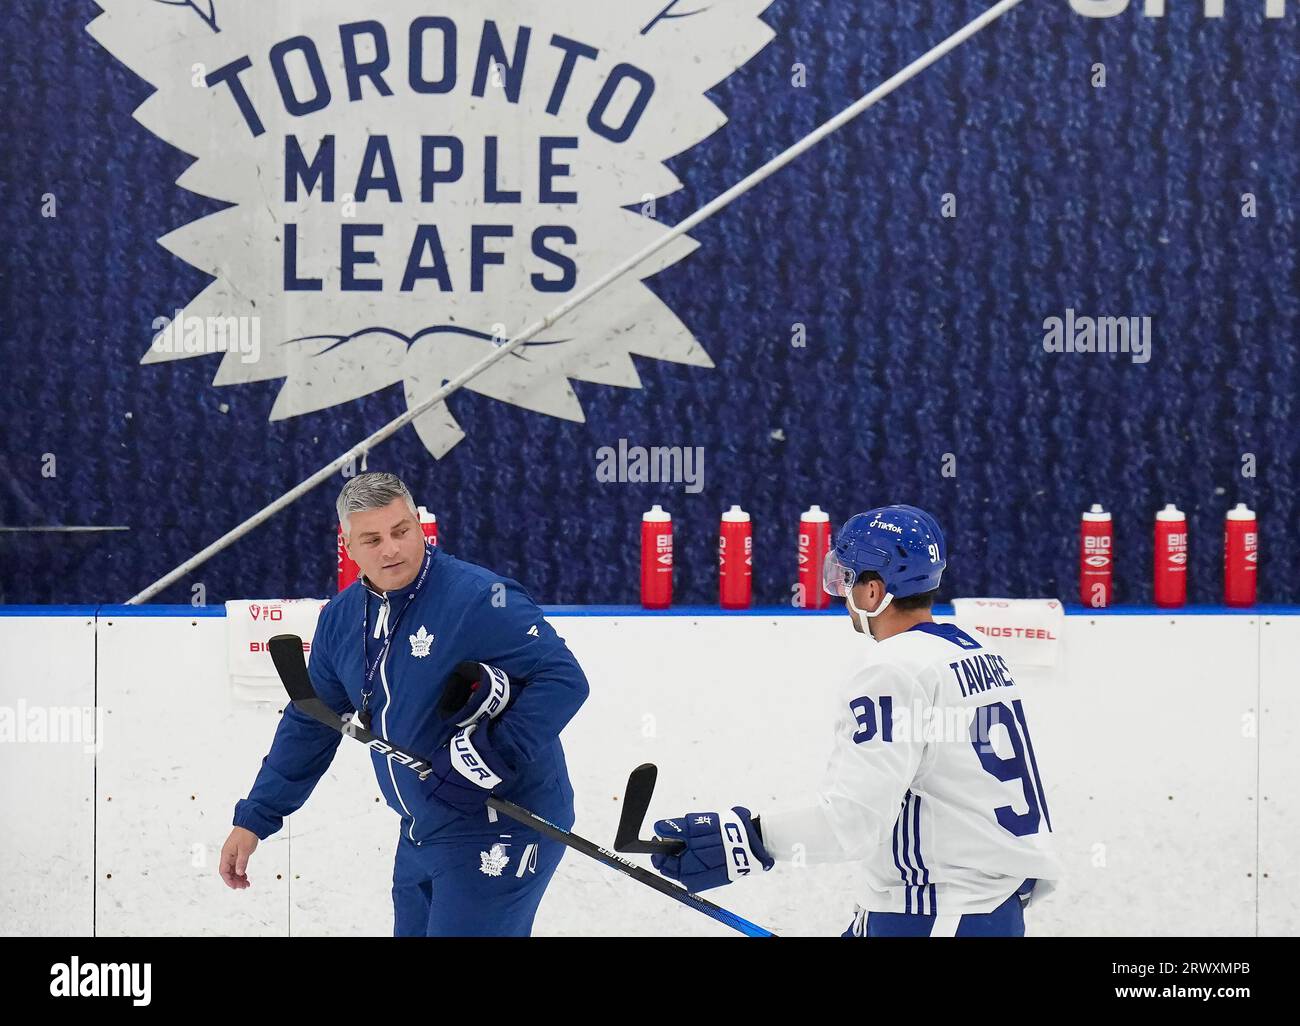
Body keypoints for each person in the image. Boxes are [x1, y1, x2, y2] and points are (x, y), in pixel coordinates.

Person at [650, 504, 1063, 937]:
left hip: (938, 912)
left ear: (873, 591)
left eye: (846, 577)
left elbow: (853, 821)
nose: (841, 591)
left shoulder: (894, 669)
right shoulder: (976, 652)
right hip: (981, 908)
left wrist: (744, 837)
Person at [218, 472, 589, 936]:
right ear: (348, 546)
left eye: (401, 531)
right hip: (421, 828)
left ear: (418, 525)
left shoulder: (479, 598)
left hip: (502, 822)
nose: (391, 549)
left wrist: (490, 754)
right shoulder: (341, 618)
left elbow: (563, 679)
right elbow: (312, 722)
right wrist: (256, 817)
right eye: (372, 539)